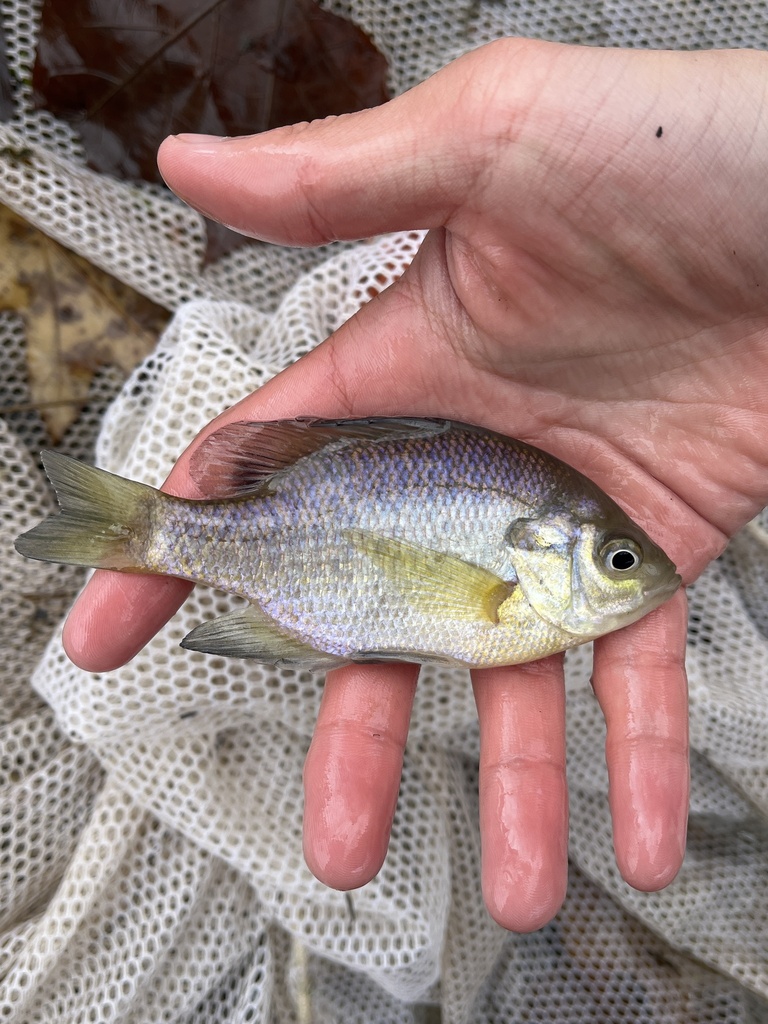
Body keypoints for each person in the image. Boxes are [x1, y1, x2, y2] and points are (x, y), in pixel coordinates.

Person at [60, 39, 768, 932]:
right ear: (540, 550)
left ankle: (147, 532)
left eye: (622, 559)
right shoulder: (521, 587)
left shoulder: (532, 580)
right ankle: (146, 532)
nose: (638, 575)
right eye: (617, 558)